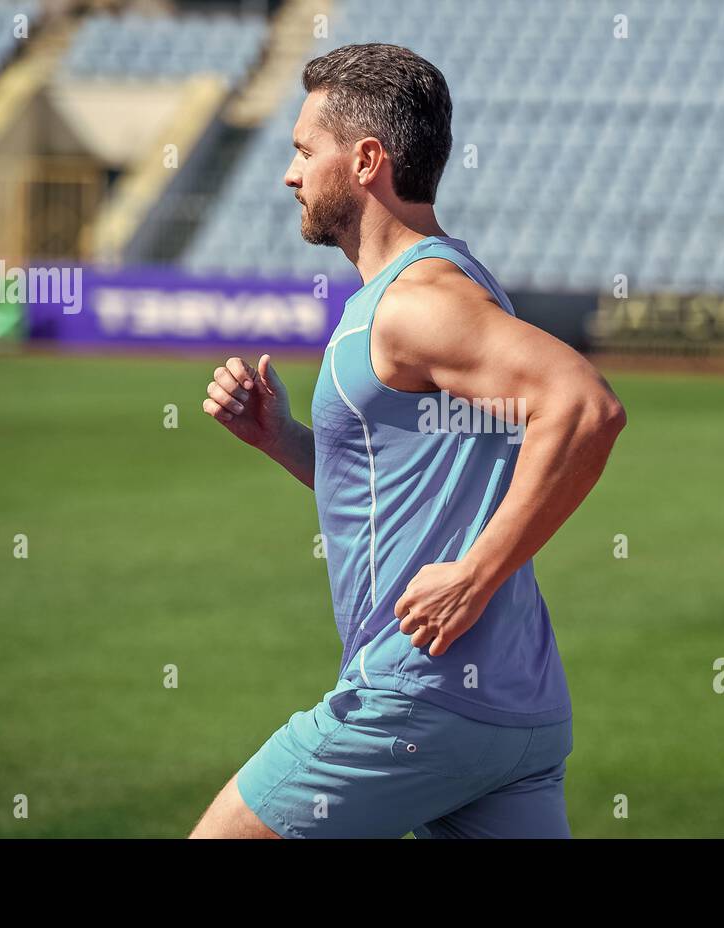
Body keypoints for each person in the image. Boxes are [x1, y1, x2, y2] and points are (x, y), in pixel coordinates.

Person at [190, 43, 625, 838]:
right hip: (509, 714)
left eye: (302, 151)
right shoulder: (440, 284)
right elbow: (402, 486)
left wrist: (475, 572)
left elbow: (586, 406)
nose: (289, 174)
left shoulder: (417, 302)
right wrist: (282, 437)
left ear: (364, 160)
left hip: (417, 700)